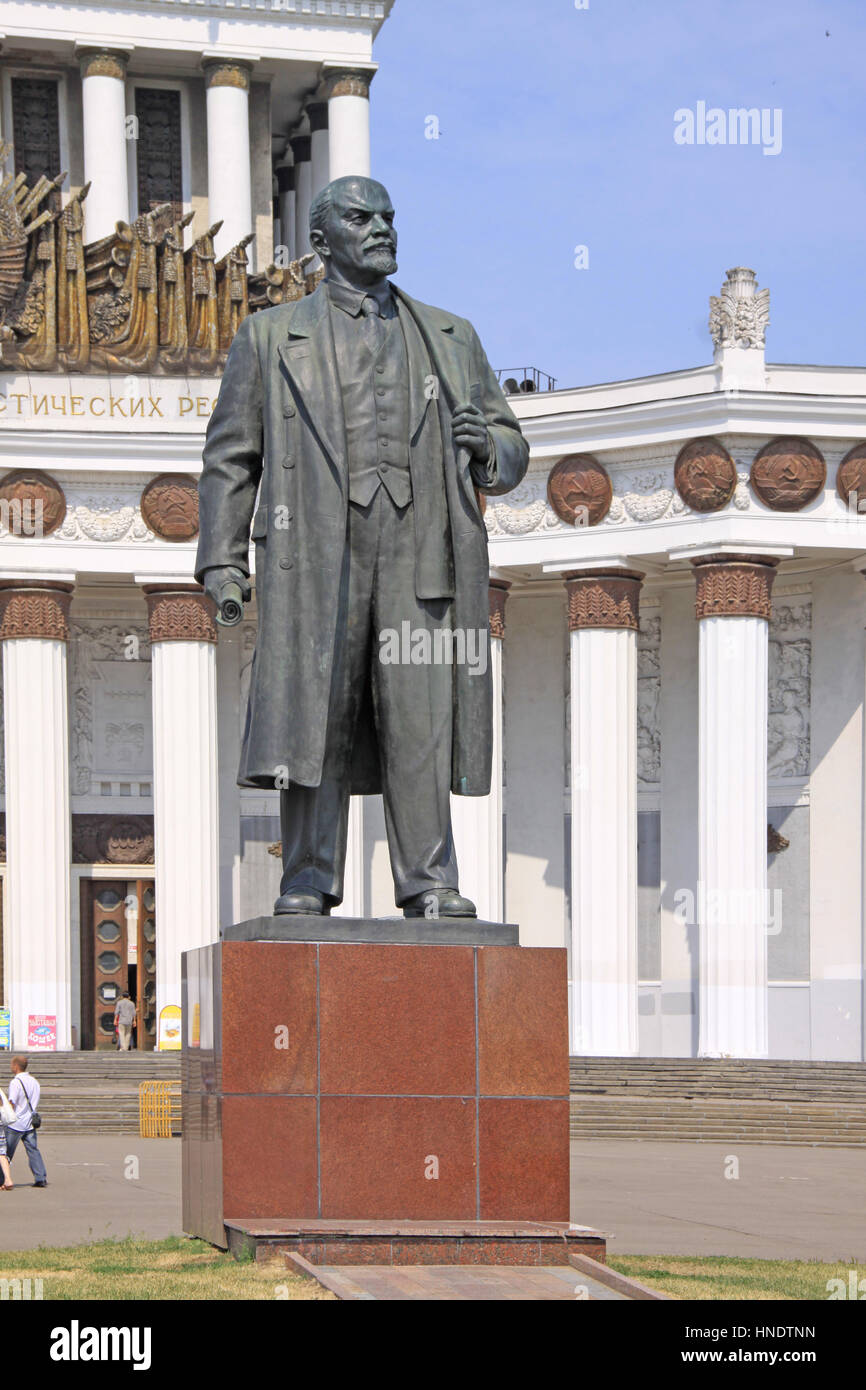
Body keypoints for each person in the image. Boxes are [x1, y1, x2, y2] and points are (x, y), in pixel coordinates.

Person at [197, 176, 528, 920]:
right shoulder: (271, 335)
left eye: (387, 217)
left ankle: (429, 880)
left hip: (423, 555)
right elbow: (230, 456)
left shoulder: (450, 335)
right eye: (360, 217)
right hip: (315, 555)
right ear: (321, 241)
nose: (381, 228)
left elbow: (510, 442)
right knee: (318, 714)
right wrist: (222, 561)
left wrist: (489, 448)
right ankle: (309, 877)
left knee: (422, 719)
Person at [6, 1056, 47, 1186]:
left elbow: (12, 1102)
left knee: (6, 1152)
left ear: (16, 1066)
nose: (11, 1067)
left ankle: (2, 1177)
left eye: (12, 1065)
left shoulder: (16, 1082)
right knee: (33, 1150)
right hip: (30, 1122)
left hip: (15, 1123)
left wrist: (5, 1116)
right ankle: (40, 1177)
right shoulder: (34, 1081)